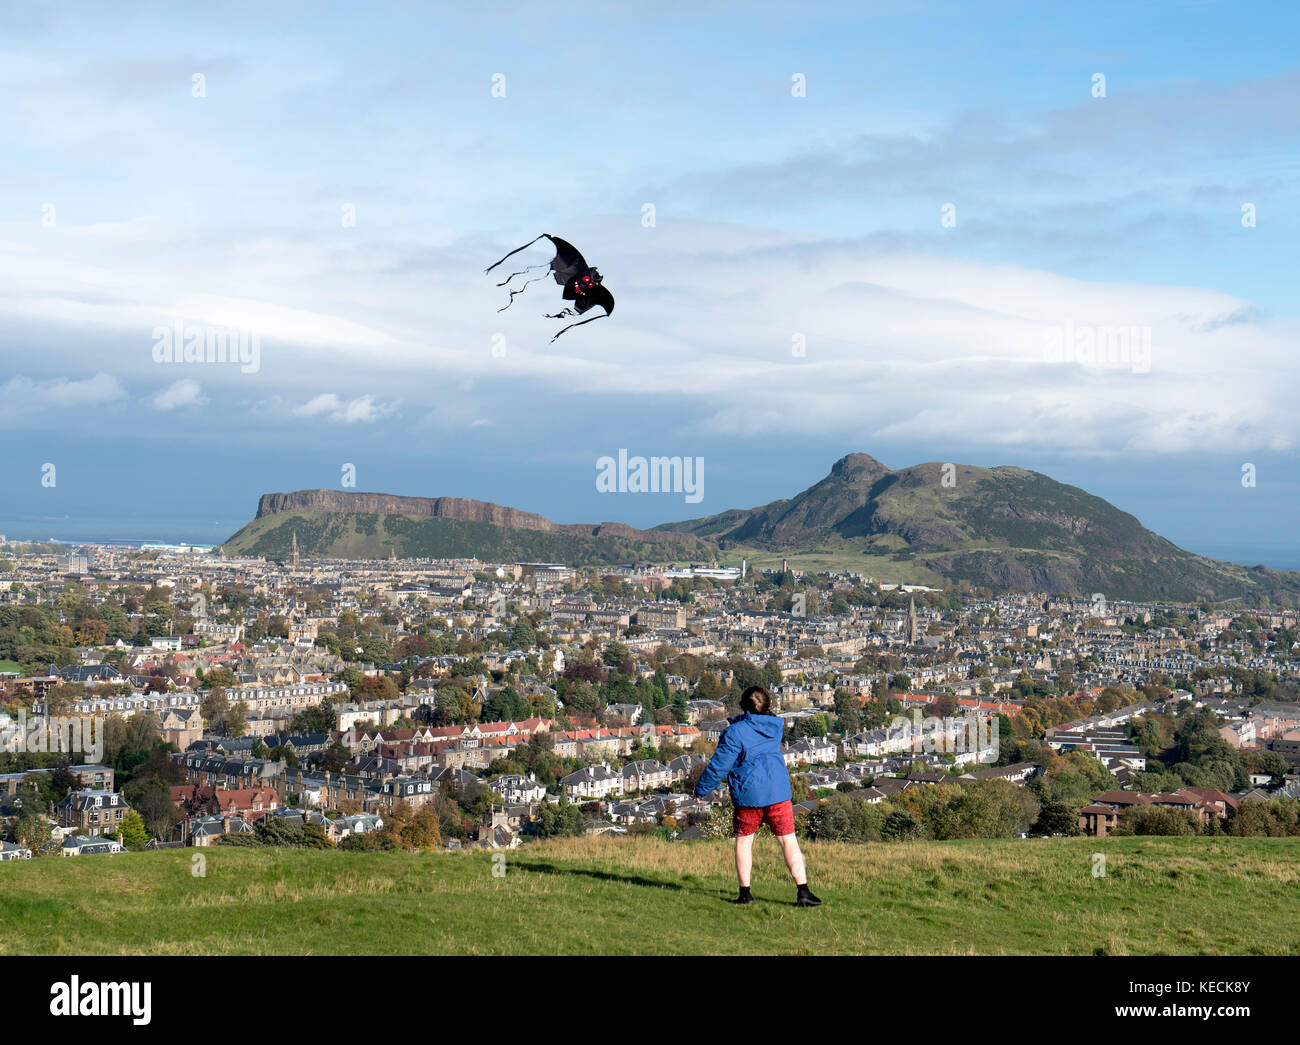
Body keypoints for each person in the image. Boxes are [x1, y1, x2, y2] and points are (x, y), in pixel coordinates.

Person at [693, 685, 822, 906]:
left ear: (743, 707)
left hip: (749, 793)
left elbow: (719, 766)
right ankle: (803, 891)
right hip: (778, 792)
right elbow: (758, 723)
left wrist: (701, 789)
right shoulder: (775, 728)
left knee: (744, 841)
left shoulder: (734, 733)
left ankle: (745, 894)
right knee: (788, 840)